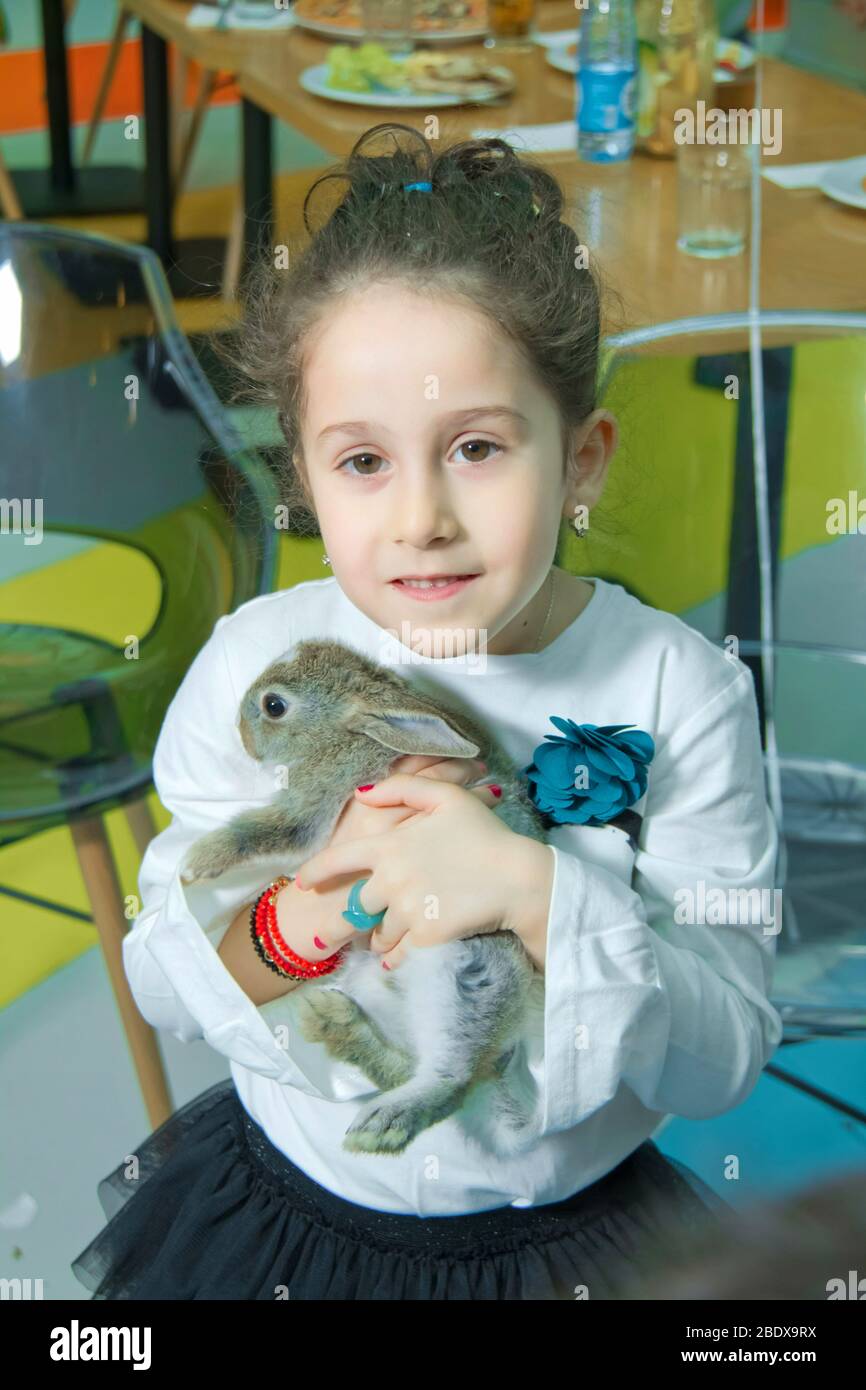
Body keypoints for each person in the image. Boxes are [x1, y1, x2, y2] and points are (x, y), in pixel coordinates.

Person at [71, 123, 782, 1301]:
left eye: (476, 448)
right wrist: (315, 907)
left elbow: (725, 1054)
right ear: (301, 474)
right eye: (362, 463)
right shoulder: (255, 667)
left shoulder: (680, 695)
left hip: (573, 1248)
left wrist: (534, 890)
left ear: (583, 456)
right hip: (279, 1227)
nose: (420, 518)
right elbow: (164, 980)